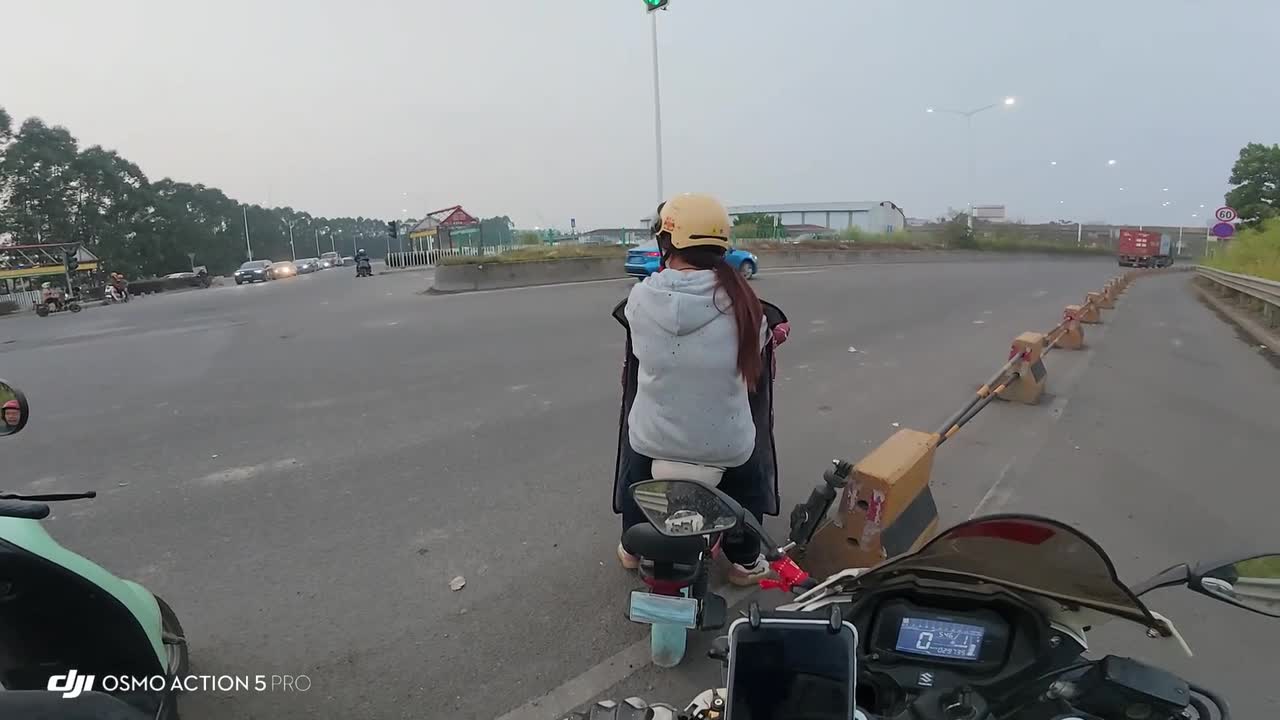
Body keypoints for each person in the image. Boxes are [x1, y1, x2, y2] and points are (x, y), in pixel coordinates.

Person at [614, 192, 786, 585]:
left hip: (653, 442)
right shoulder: (747, 305)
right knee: (746, 474)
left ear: (666, 242)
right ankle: (744, 560)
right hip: (725, 446)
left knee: (637, 461)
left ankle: (631, 544)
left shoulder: (639, 300)